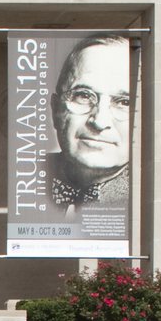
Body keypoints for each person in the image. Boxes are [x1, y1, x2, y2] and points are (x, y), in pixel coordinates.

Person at [40, 33, 134, 205]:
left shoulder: (147, 193)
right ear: (55, 110)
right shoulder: (24, 175)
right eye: (83, 96)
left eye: (124, 102)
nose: (99, 121)